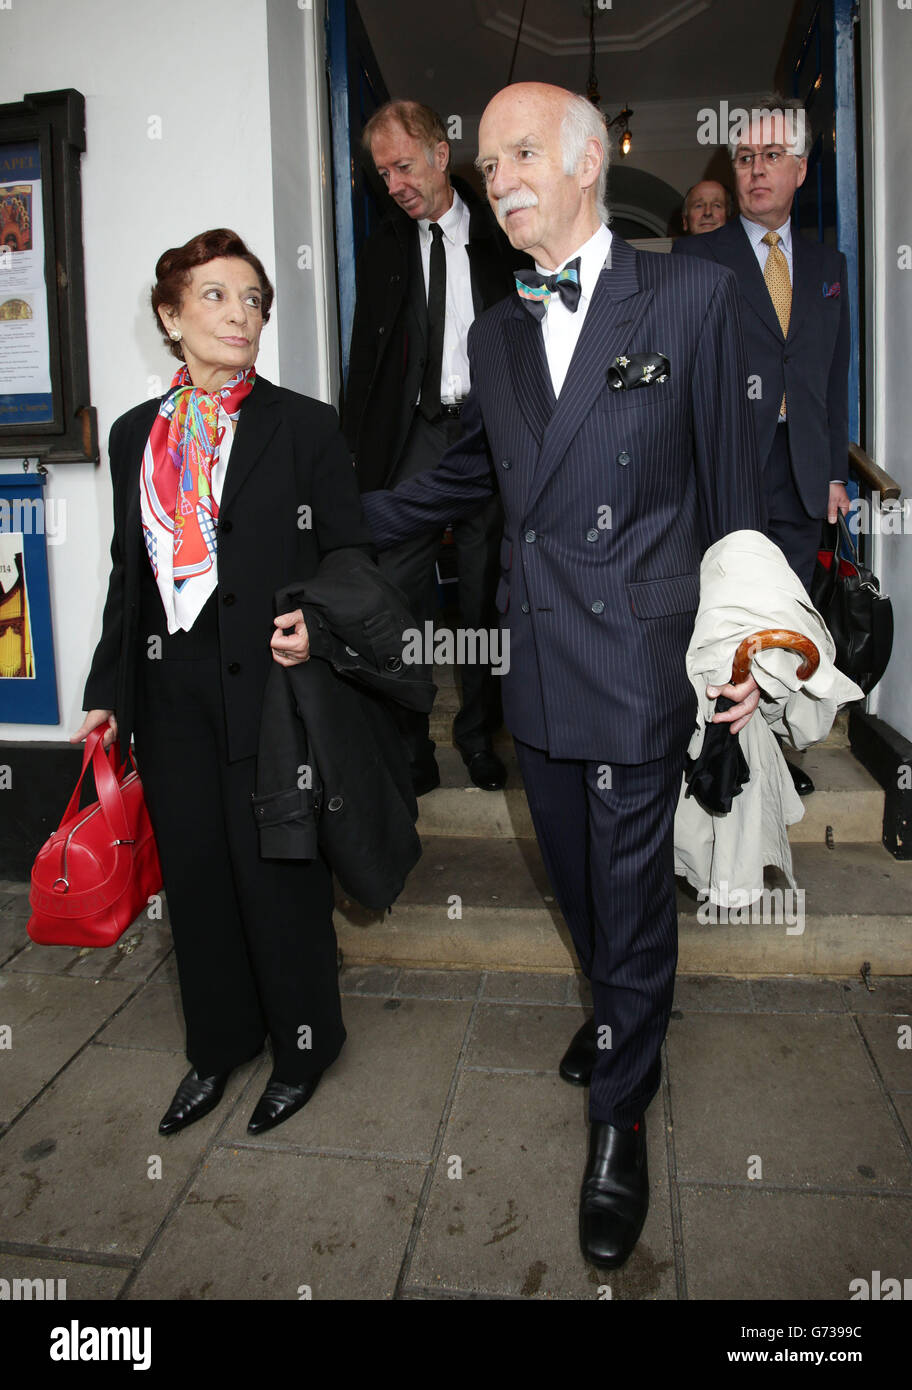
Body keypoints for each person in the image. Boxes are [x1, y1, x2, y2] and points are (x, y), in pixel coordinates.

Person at [361, 82, 764, 1269]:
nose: (501, 177)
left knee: (631, 890)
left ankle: (619, 1115)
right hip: (534, 658)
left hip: (642, 657)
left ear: (590, 163)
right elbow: (455, 483)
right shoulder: (494, 330)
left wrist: (745, 651)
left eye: (522, 151)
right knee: (580, 879)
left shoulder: (695, 296)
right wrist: (321, 515)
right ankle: (627, 1005)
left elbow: (739, 501)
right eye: (489, 164)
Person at [73, 228, 374, 1137]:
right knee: (198, 878)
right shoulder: (136, 435)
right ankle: (220, 1044)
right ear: (172, 317)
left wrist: (316, 622)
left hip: (274, 693)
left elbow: (353, 558)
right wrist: (108, 689)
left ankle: (304, 1046)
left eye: (252, 299)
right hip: (171, 695)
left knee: (277, 875)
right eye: (215, 296)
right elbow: (134, 577)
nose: (239, 313)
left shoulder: (306, 425)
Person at [343, 100, 530, 795]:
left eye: (402, 165)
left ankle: (479, 734)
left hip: (486, 437)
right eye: (382, 172)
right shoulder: (385, 247)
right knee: (400, 593)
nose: (393, 183)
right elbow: (365, 363)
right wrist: (351, 462)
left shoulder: (502, 233)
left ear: (439, 152)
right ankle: (411, 740)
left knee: (485, 597)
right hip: (415, 436)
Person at [673, 96, 851, 796]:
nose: (755, 172)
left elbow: (833, 378)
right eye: (745, 158)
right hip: (725, 464)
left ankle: (773, 749)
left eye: (771, 157)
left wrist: (836, 470)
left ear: (801, 169)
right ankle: (717, 751)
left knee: (785, 616)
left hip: (804, 469)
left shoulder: (828, 264)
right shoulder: (695, 257)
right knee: (723, 611)